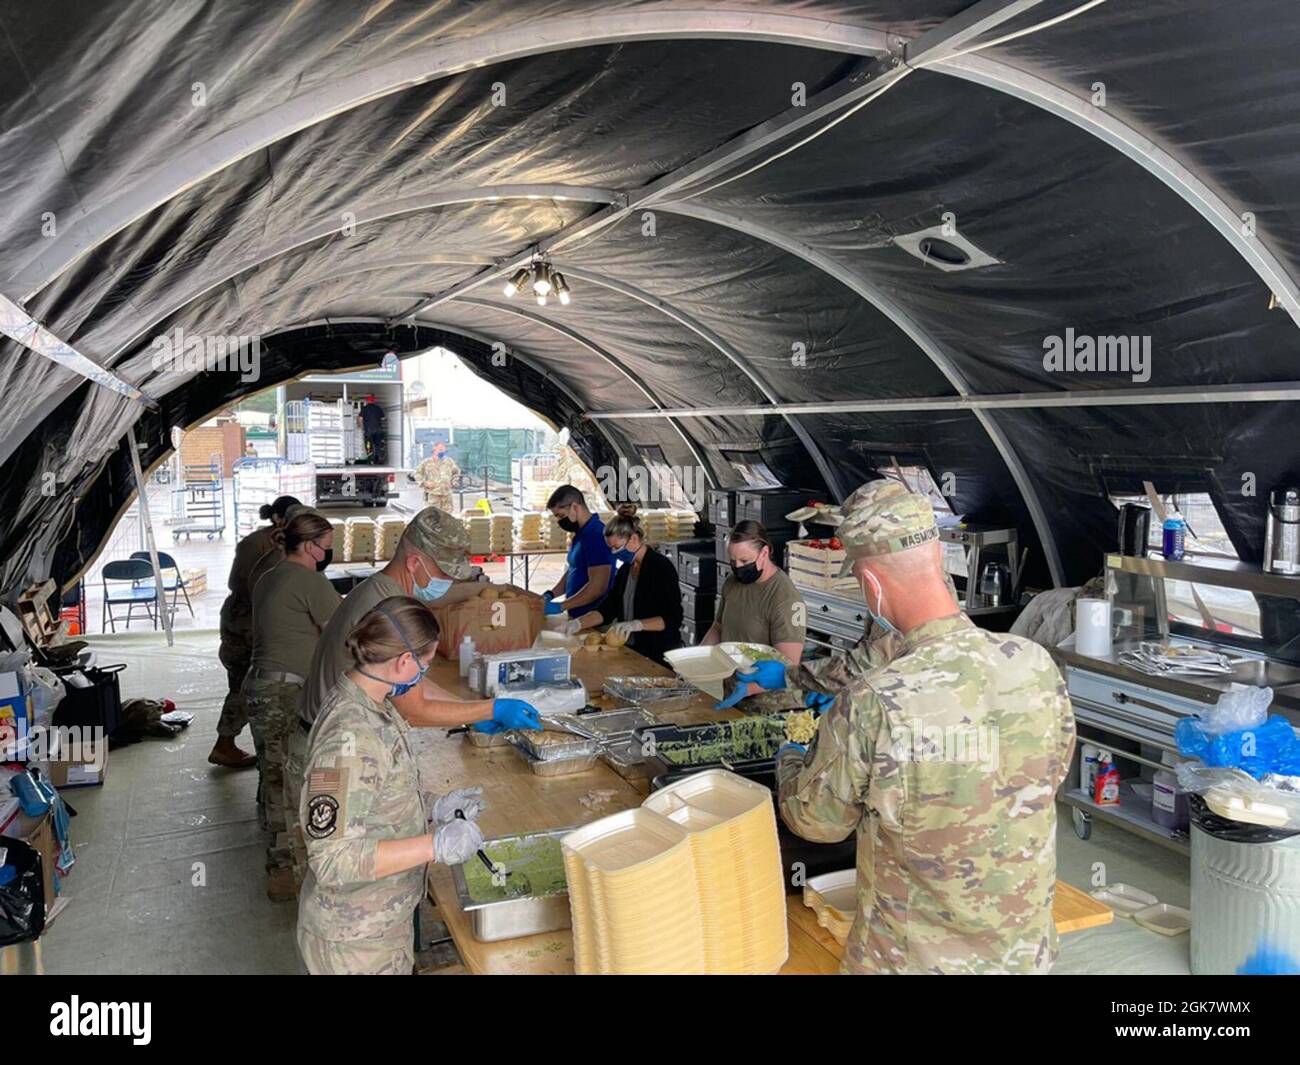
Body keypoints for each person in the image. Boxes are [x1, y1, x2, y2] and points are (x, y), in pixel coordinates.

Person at [775, 483, 1076, 974]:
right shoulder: (1035, 665)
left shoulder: (876, 698)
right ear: (937, 555)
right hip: (1021, 954)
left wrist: (790, 757)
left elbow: (818, 822)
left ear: (870, 585)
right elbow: (1049, 773)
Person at [285, 506, 541, 887]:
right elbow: (415, 707)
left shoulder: (389, 595)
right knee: (339, 878)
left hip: (345, 744)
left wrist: (467, 713)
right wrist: (489, 708)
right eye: (443, 574)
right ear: (416, 562)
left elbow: (415, 685)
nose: (448, 583)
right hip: (333, 756)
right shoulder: (382, 607)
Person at [297, 598, 490, 975]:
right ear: (404, 662)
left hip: (380, 924)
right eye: (426, 664)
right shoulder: (348, 738)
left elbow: (376, 794)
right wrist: (436, 845)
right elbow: (332, 859)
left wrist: (436, 807)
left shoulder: (372, 703)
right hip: (354, 941)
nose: (424, 674)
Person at [244, 509, 343, 901]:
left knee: (271, 773)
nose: (327, 554)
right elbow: (340, 630)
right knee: (289, 781)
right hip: (284, 693)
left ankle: (277, 854)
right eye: (326, 547)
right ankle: (285, 868)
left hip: (260, 687)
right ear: (308, 546)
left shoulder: (269, 576)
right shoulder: (308, 580)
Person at [210, 494, 299, 769]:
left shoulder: (270, 541)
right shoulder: (264, 545)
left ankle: (231, 742)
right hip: (246, 623)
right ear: (281, 519)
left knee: (245, 684)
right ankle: (225, 744)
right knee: (245, 686)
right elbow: (250, 585)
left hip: (246, 619)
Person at [558, 504, 682, 666]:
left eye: (617, 548)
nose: (614, 553)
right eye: (611, 549)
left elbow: (672, 619)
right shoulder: (625, 570)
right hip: (632, 650)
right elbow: (608, 609)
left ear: (634, 539)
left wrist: (637, 625)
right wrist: (577, 623)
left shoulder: (660, 567)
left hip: (658, 652)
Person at [701, 520, 806, 706]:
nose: (738, 567)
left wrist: (747, 689)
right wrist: (696, 660)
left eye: (745, 561)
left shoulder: (785, 598)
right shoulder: (732, 583)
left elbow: (789, 665)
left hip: (768, 703)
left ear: (764, 553)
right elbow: (718, 628)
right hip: (732, 690)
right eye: (733, 561)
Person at [543, 484, 613, 621]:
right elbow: (574, 569)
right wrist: (551, 594)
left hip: (593, 618)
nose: (559, 521)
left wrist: (561, 606)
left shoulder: (596, 535)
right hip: (577, 615)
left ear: (575, 507)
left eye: (560, 515)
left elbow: (598, 587)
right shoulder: (580, 534)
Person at [415, 441, 459, 511]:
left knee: (446, 518)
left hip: (446, 496)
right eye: (440, 450)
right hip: (433, 495)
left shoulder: (449, 462)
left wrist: (453, 483)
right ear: (434, 450)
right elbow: (417, 473)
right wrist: (424, 483)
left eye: (444, 450)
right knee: (432, 518)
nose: (442, 452)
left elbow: (456, 473)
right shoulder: (426, 462)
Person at [360, 394, 386, 464]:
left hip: (368, 431)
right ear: (374, 401)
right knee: (378, 445)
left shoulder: (364, 408)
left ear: (367, 401)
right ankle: (379, 459)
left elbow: (360, 418)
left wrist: (361, 426)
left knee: (369, 445)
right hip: (378, 430)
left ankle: (370, 460)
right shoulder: (378, 408)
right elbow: (383, 418)